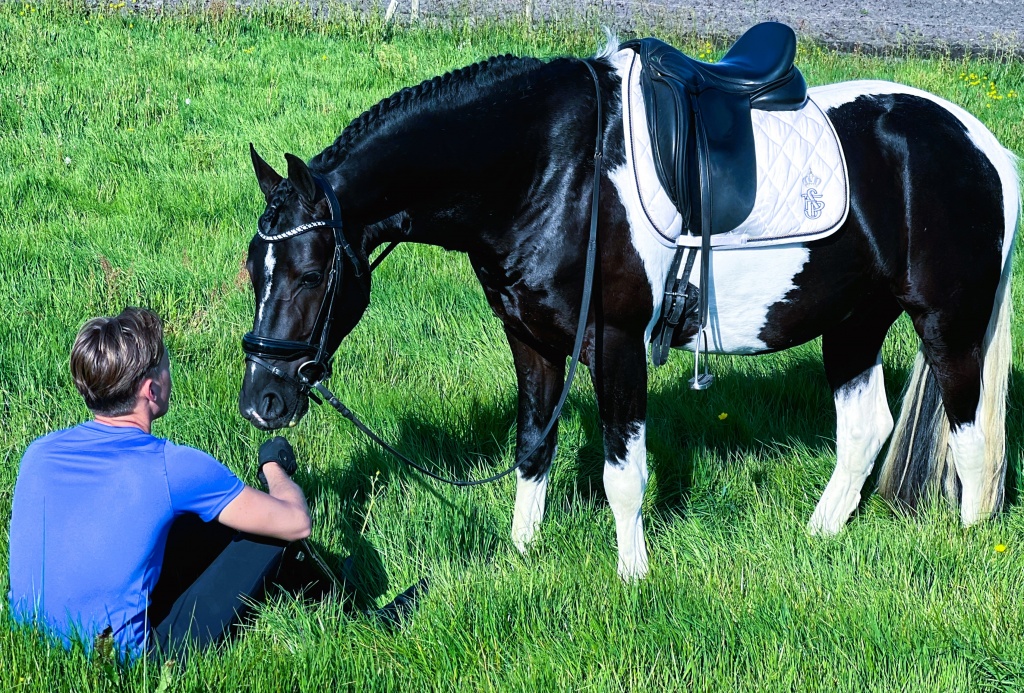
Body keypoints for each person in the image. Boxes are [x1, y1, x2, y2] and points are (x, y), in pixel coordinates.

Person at [7, 307, 343, 659]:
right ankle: (352, 612)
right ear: (151, 390)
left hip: (34, 639)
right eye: (167, 367)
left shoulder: (39, 453)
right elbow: (296, 523)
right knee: (270, 534)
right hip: (124, 662)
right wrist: (273, 466)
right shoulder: (171, 467)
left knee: (189, 518)